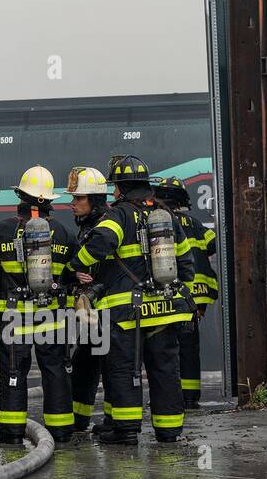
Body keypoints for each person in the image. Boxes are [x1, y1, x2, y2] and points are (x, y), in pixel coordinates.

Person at [71, 154, 193, 444]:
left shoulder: (120, 214)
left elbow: (99, 245)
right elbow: (185, 259)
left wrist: (79, 264)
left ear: (121, 188)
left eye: (115, 188)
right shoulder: (164, 215)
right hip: (164, 307)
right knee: (165, 369)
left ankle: (125, 431)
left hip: (127, 311)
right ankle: (169, 430)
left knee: (124, 370)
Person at [0, 166, 77, 443]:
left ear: (21, 197)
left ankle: (12, 433)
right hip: (54, 318)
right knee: (55, 372)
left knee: (14, 373)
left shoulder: (3, 230)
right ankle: (61, 432)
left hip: (14, 320)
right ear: (49, 200)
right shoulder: (64, 234)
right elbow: (74, 274)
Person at [153, 175, 218, 409]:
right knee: (190, 348)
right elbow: (212, 245)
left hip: (172, 296)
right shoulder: (196, 224)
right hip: (197, 299)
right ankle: (191, 397)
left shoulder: (159, 223)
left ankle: (174, 397)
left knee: (168, 349)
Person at [63, 166, 113, 434]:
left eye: (78, 199)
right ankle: (80, 419)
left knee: (109, 364)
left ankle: (113, 422)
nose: (72, 204)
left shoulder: (105, 226)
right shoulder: (88, 226)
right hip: (92, 310)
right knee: (86, 361)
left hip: (108, 309)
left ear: (94, 200)